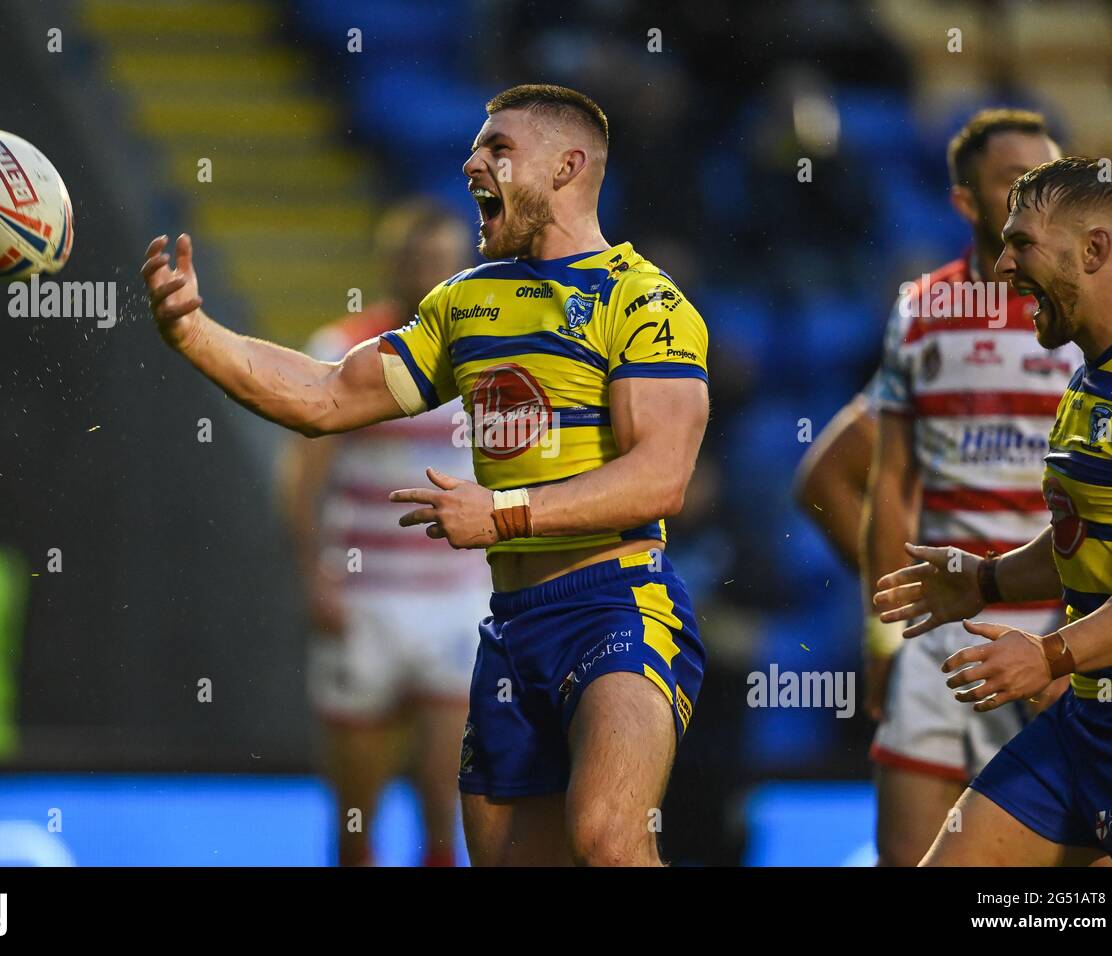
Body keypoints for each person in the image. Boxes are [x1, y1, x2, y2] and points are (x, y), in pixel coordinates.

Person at [142, 84, 711, 866]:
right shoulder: (465, 304)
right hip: (512, 625)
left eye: (499, 149)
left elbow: (661, 479)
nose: (471, 161)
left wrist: (504, 512)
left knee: (609, 841)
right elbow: (326, 394)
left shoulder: (645, 301)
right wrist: (194, 333)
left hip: (618, 606)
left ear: (568, 167)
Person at [800, 110, 1075, 865]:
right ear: (966, 202)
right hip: (946, 640)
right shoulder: (924, 311)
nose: (1037, 203)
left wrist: (1092, 640)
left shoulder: (1091, 314)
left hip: (1061, 631)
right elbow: (848, 479)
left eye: (1047, 182)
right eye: (1015, 186)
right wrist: (891, 626)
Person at [874, 157, 1112, 866]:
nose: (1001, 266)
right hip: (1089, 719)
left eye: (1022, 243)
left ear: (1093, 250)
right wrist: (986, 582)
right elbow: (1085, 538)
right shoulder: (1096, 376)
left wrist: (1051, 653)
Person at [281, 198, 490, 866]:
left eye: (443, 261)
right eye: (418, 260)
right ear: (392, 264)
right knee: (354, 813)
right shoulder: (345, 349)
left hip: (455, 600)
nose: (431, 274)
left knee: (443, 794)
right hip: (365, 598)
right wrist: (313, 575)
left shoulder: (485, 357)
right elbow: (300, 479)